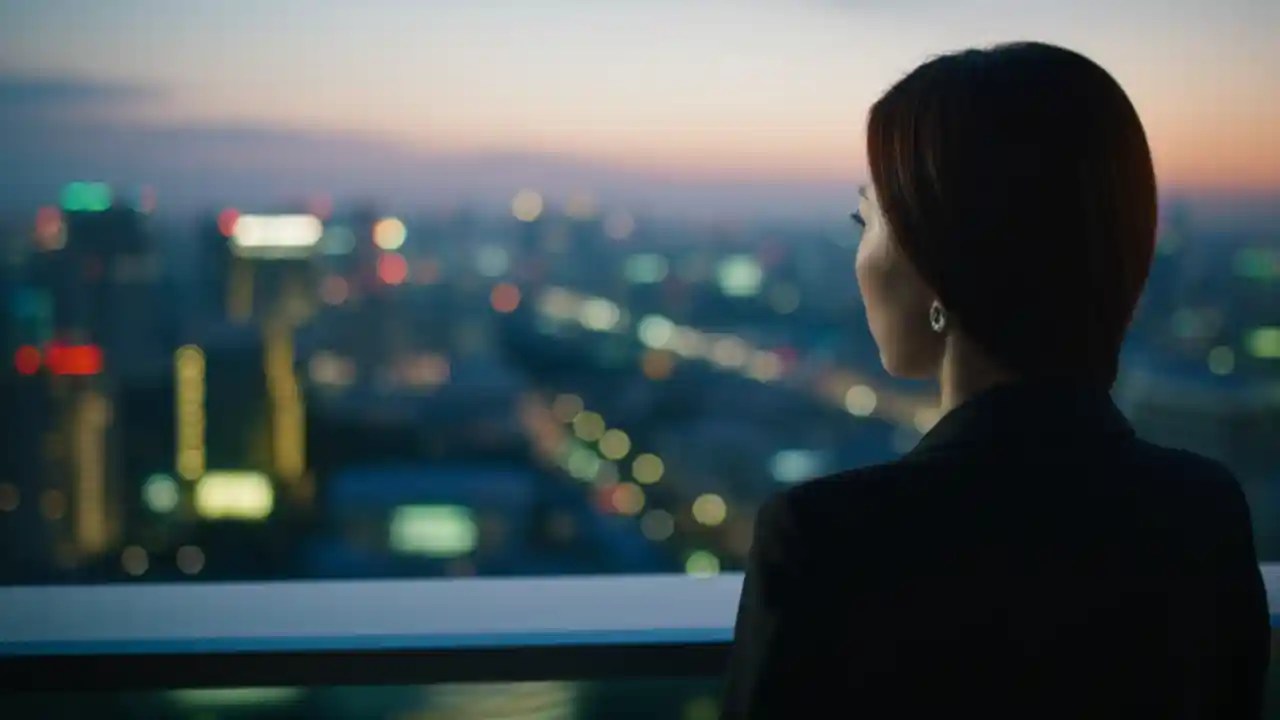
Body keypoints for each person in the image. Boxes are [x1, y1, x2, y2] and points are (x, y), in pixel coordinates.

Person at [722, 42, 1270, 718]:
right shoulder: (1202, 515)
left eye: (867, 220)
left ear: (934, 265)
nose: (858, 256)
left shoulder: (826, 542)